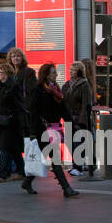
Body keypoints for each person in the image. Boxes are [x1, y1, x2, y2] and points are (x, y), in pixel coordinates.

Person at [33, 63, 79, 198]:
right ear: (46, 75)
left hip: (54, 127)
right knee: (55, 157)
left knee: (45, 157)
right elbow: (33, 111)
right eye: (53, 72)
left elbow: (63, 109)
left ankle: (27, 181)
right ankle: (66, 188)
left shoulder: (56, 89)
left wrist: (71, 123)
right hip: (42, 128)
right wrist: (32, 131)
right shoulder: (39, 89)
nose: (56, 75)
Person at [0, 63, 26, 182]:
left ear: (6, 74)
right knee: (14, 149)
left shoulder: (13, 86)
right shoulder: (1, 86)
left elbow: (19, 104)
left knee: (5, 148)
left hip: (11, 122)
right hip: (3, 121)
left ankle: (2, 174)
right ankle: (21, 171)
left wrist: (15, 119)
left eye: (0, 72)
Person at [62, 61, 95, 177]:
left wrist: (83, 120)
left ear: (80, 71)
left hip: (78, 118)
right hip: (68, 118)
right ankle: (77, 164)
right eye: (70, 69)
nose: (71, 71)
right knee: (69, 142)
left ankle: (78, 167)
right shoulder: (66, 85)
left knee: (78, 143)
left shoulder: (84, 85)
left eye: (74, 70)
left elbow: (86, 104)